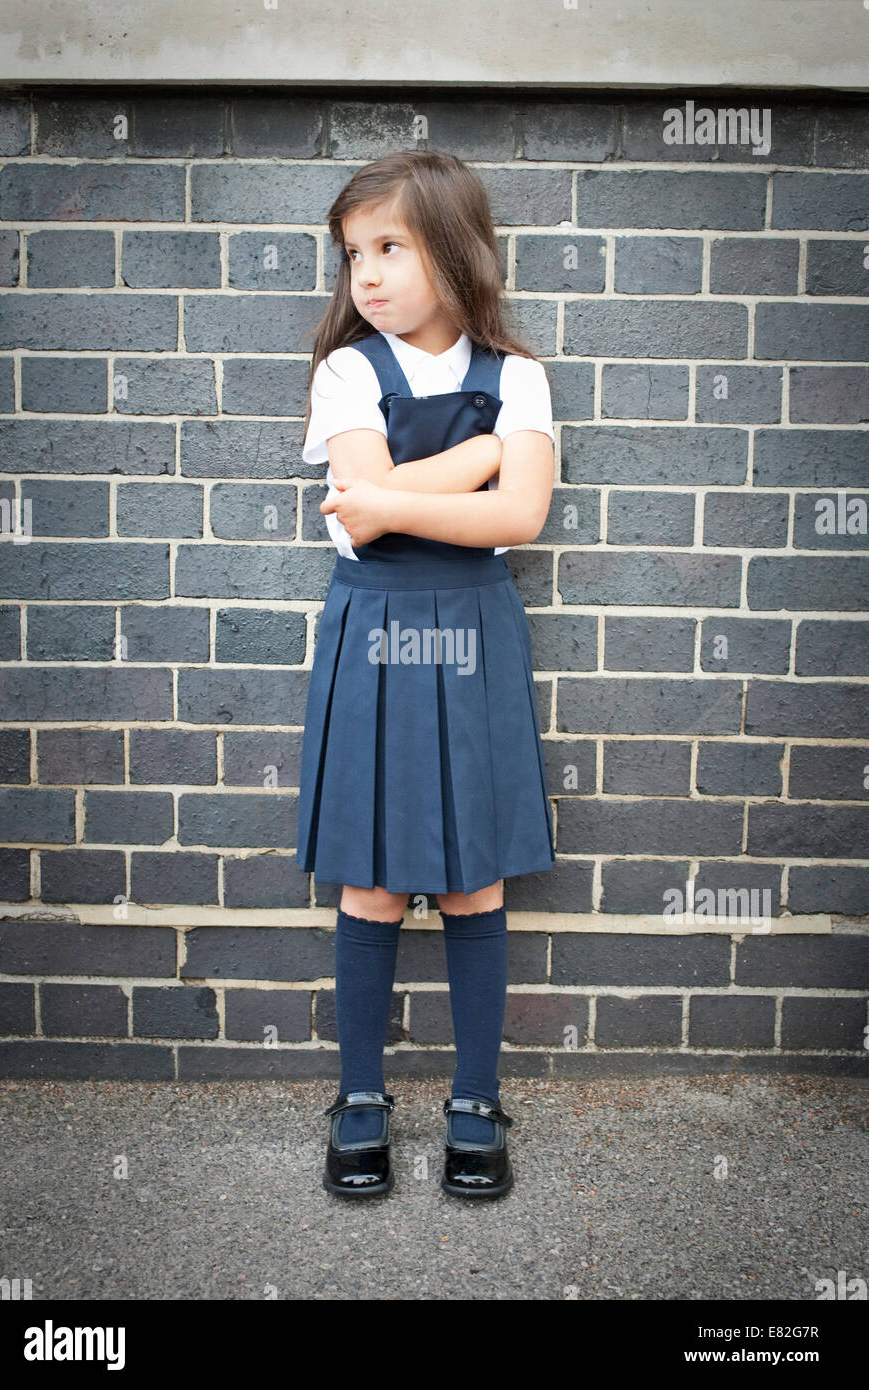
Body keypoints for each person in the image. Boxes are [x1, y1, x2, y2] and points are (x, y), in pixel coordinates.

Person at [295, 150, 556, 1200]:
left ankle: (475, 1098)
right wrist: (472, 463)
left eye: (390, 247)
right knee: (369, 872)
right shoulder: (349, 370)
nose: (366, 273)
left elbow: (519, 519)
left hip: (476, 629)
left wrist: (402, 497)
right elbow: (357, 513)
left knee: (469, 874)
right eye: (353, 253)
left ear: (456, 249)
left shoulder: (518, 376)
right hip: (374, 629)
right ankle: (360, 1097)